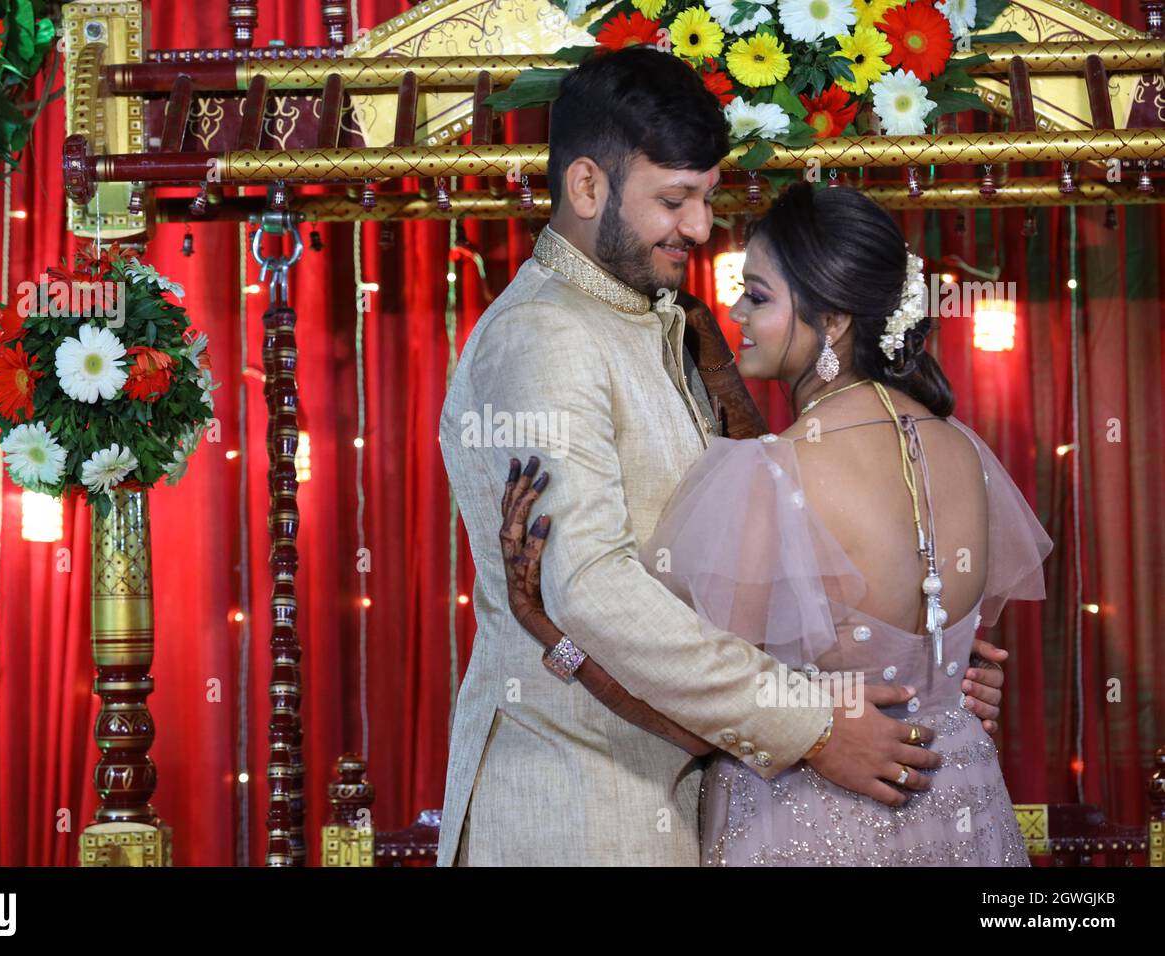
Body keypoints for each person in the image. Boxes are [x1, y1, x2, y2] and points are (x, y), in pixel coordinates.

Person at [436, 46, 1006, 866]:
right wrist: (812, 726)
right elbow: (593, 589)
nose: (701, 230)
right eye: (675, 201)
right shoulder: (544, 340)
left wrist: (920, 660)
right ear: (587, 186)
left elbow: (756, 583)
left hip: (702, 791)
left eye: (706, 198)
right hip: (585, 809)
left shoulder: (661, 320)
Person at [499, 182, 1052, 865]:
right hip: (959, 802)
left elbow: (696, 719)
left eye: (757, 296)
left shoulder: (770, 472)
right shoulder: (967, 452)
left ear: (836, 320)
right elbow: (943, 659)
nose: (735, 311)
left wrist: (547, 630)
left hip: (815, 818)